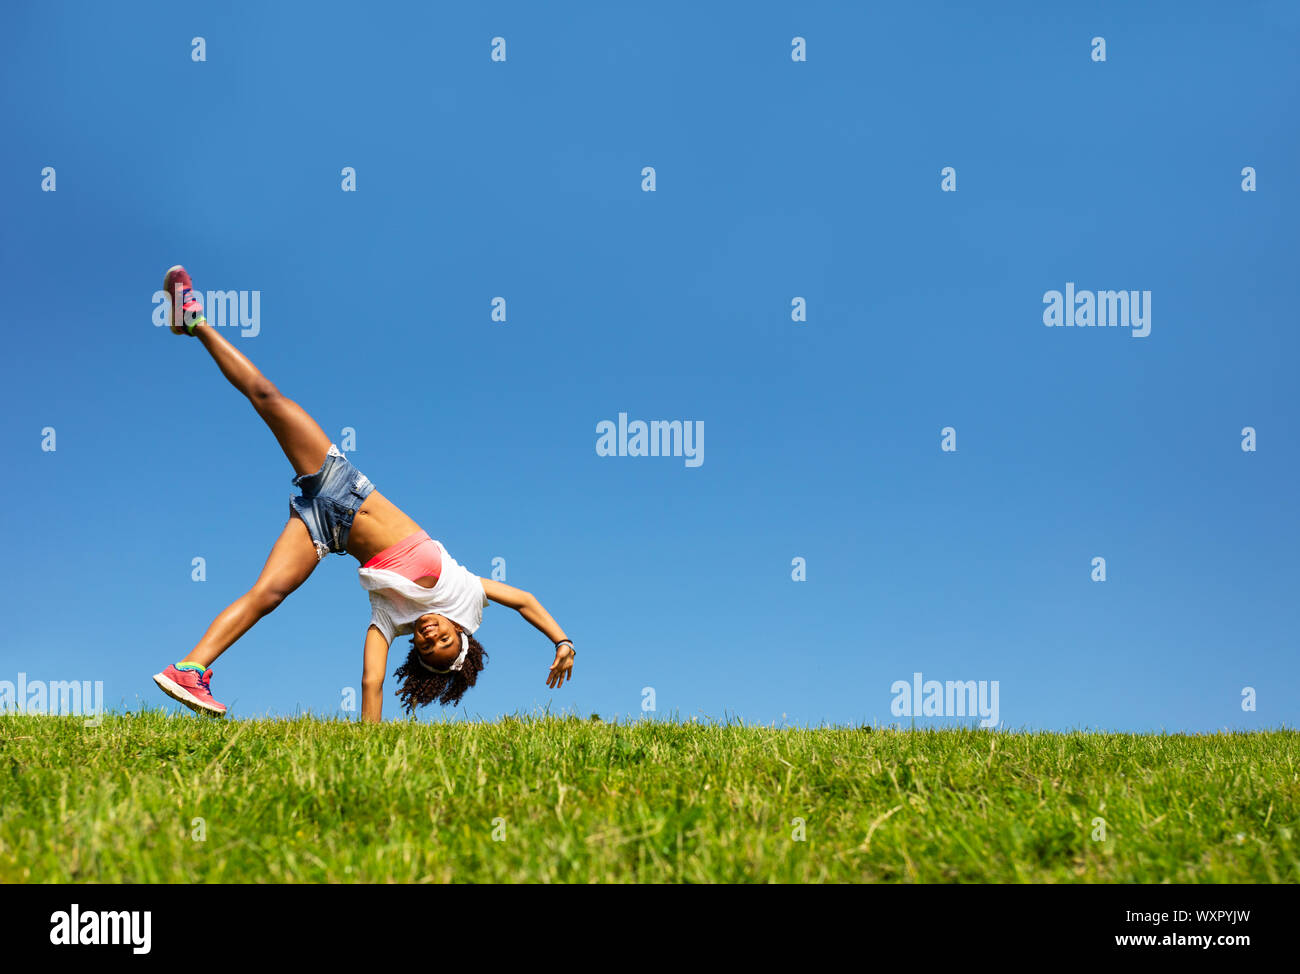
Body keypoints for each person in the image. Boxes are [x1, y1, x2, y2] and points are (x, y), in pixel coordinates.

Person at [150, 266, 575, 723]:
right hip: (341, 485)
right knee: (267, 397)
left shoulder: (392, 621)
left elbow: (371, 681)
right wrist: (562, 641)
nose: (432, 637)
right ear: (462, 634)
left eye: (426, 647)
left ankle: (188, 670)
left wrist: (367, 754)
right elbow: (525, 599)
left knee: (268, 594)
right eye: (444, 642)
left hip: (323, 532)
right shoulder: (466, 597)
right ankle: (192, 319)